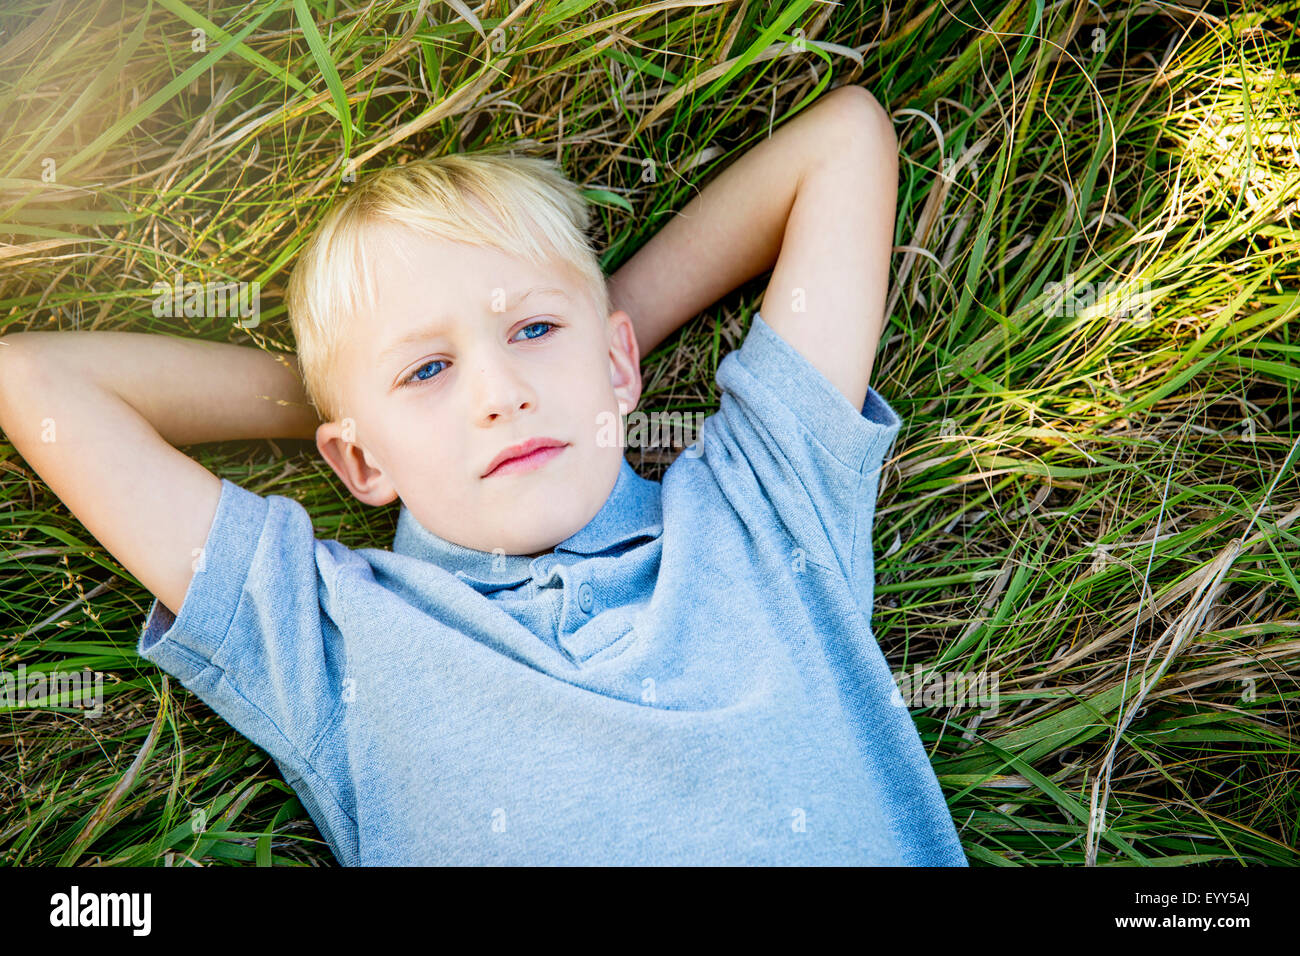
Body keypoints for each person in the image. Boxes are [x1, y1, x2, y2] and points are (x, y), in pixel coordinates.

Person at [0, 84, 967, 865]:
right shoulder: (332, 637)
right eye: (429, 370)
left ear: (621, 365)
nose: (500, 393)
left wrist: (593, 342)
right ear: (361, 460)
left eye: (534, 331)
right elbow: (35, 379)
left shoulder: (764, 507)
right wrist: (355, 411)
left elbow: (845, 143)